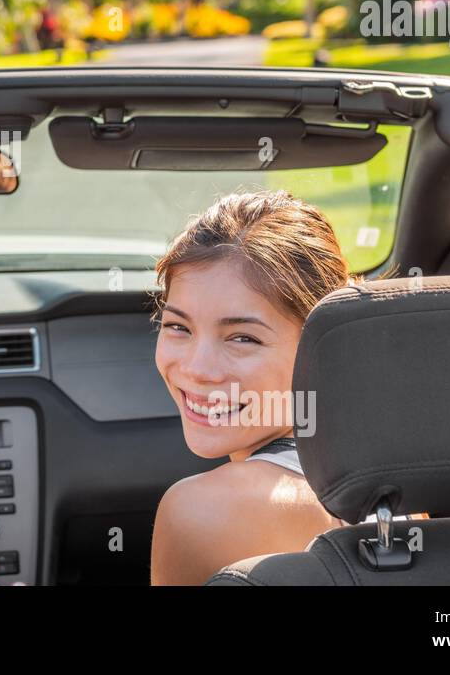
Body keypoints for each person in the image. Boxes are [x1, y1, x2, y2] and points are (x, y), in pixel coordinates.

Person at [149, 190, 351, 585]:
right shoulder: (396, 483)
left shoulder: (201, 509)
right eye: (178, 327)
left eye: (243, 338)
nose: (197, 369)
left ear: (321, 346)